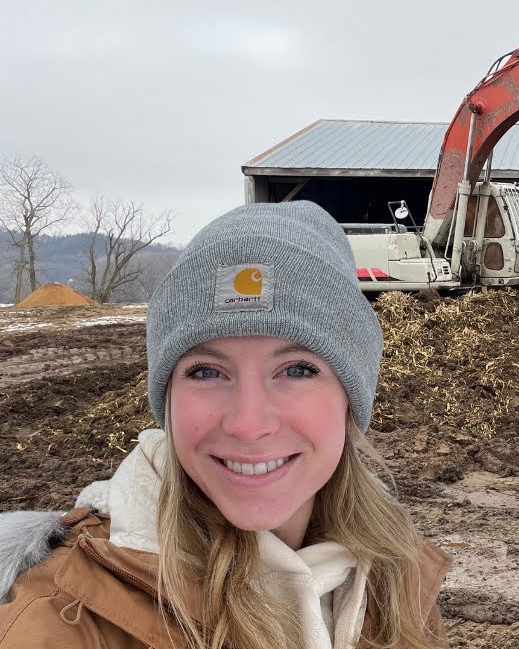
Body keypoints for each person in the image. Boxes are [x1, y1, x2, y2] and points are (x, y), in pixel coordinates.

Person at [0, 201, 450, 649]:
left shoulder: (398, 578)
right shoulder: (61, 618)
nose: (248, 425)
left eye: (296, 370)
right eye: (206, 372)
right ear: (168, 400)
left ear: (350, 399)